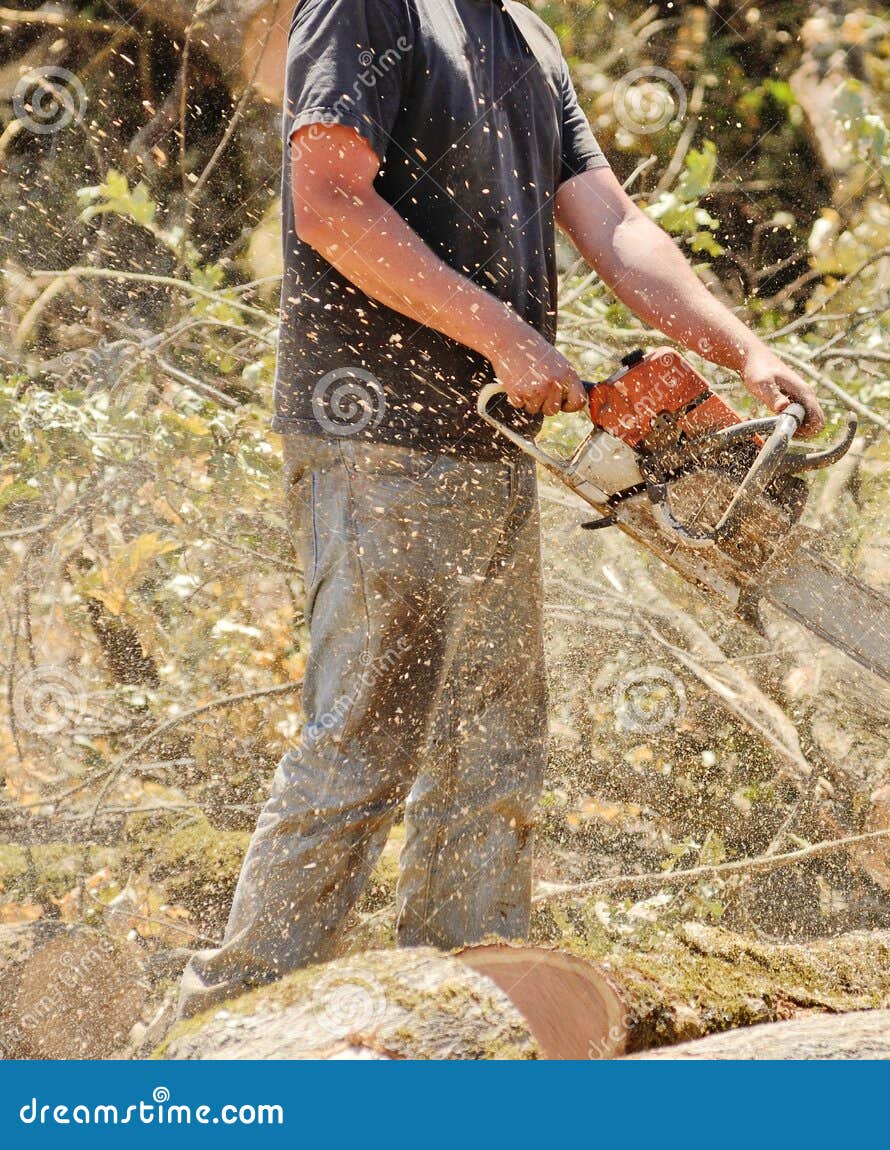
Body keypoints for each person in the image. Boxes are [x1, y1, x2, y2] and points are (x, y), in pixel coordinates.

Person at [174, 0, 821, 1019]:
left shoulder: (523, 34)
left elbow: (614, 224)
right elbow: (330, 204)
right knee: (365, 741)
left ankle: (460, 1023)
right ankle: (217, 1033)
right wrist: (502, 335)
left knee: (492, 745)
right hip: (379, 429)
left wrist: (739, 348)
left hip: (484, 443)